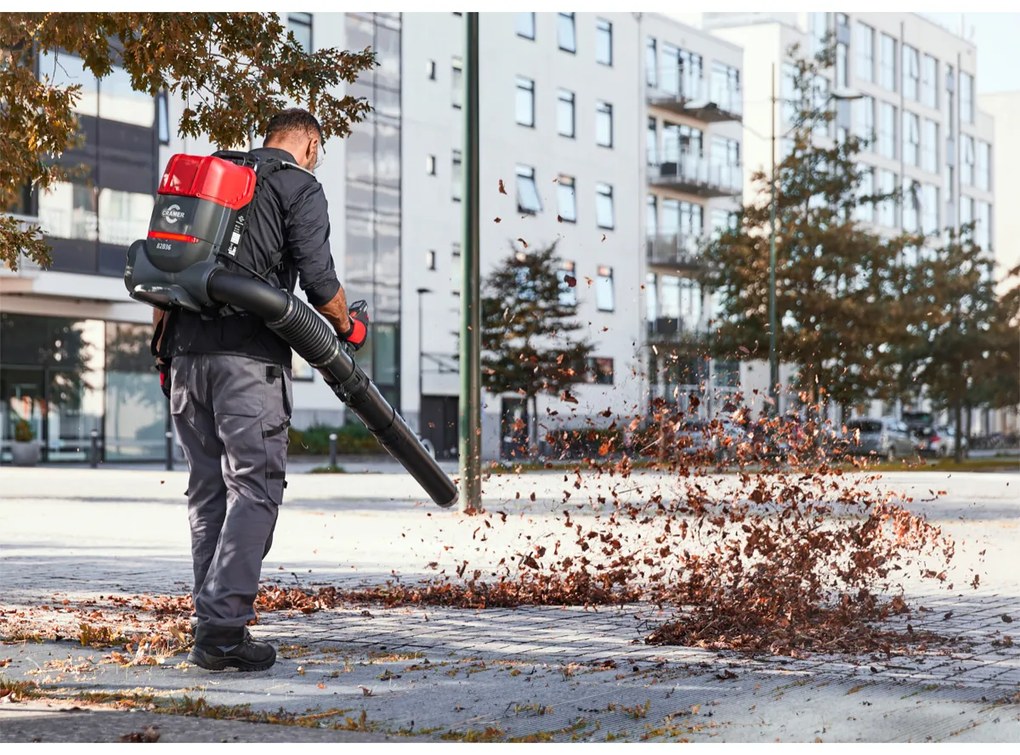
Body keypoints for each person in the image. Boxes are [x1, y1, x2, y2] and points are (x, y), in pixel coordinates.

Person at [151, 108, 367, 672]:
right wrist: (347, 327)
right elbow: (319, 282)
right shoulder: (300, 186)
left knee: (207, 491)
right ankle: (221, 632)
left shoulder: (217, 171)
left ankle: (210, 621)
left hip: (184, 356)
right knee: (256, 486)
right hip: (247, 363)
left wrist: (165, 353)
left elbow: (166, 260)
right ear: (311, 146)